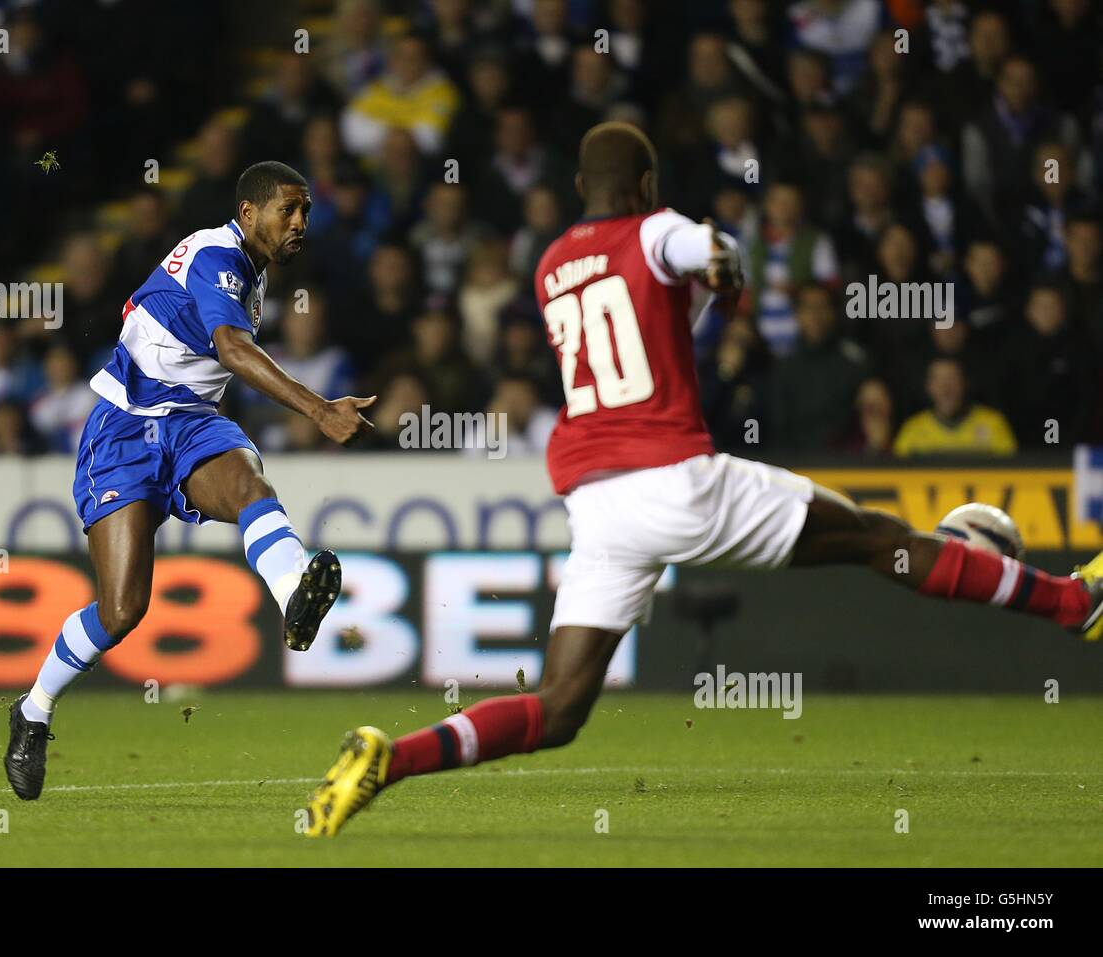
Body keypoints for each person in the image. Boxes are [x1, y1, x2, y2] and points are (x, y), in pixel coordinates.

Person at [302, 121, 1103, 837]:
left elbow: (642, 318)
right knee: (880, 541)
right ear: (646, 188)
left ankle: (388, 758)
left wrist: (699, 291)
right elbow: (697, 249)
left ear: (581, 190)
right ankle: (1075, 603)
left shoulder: (549, 266)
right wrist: (719, 264)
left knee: (559, 707)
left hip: (599, 506)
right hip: (677, 479)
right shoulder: (657, 231)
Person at [3, 162, 377, 801]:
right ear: (249, 211)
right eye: (288, 209)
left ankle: (294, 592)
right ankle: (33, 711)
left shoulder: (249, 273)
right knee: (123, 611)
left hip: (192, 424)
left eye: (307, 211)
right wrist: (318, 409)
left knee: (252, 487)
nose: (299, 223)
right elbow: (231, 348)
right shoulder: (217, 254)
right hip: (123, 429)